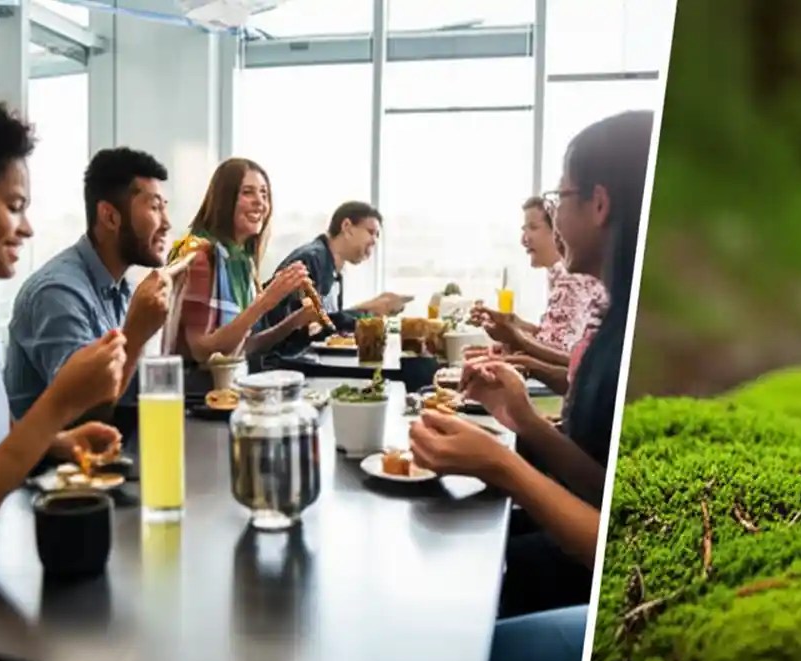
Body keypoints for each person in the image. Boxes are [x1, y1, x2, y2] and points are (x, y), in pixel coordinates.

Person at [411, 110, 652, 615]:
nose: (554, 218)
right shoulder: (615, 319)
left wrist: (503, 463)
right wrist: (520, 419)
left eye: (559, 199)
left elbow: (613, 534)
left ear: (600, 204)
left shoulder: (629, 335)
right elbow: (599, 482)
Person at [0, 99, 127, 525]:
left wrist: (59, 442)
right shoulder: (58, 288)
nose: (27, 228)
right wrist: (59, 404)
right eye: (14, 206)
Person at [5, 147, 177, 421]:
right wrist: (136, 333)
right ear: (110, 216)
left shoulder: (123, 289)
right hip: (51, 463)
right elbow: (84, 413)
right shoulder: (58, 292)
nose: (167, 223)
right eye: (155, 207)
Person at [162, 158, 319, 379]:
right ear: (225, 199)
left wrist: (294, 322)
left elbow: (241, 348)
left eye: (264, 194)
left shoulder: (242, 260)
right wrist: (265, 301)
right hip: (193, 395)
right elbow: (202, 351)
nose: (260, 203)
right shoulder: (201, 257)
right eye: (248, 192)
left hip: (228, 386)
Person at [469, 197, 608, 369]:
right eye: (524, 229)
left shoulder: (572, 280)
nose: (523, 240)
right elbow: (552, 337)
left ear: (557, 231)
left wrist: (515, 338)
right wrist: (512, 323)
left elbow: (566, 356)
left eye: (533, 228)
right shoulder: (559, 277)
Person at [263, 200, 409, 358]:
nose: (375, 241)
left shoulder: (334, 269)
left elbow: (328, 321)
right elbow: (309, 328)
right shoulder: (311, 260)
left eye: (377, 235)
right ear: (347, 227)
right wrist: (368, 310)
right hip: (284, 363)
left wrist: (368, 309)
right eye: (370, 232)